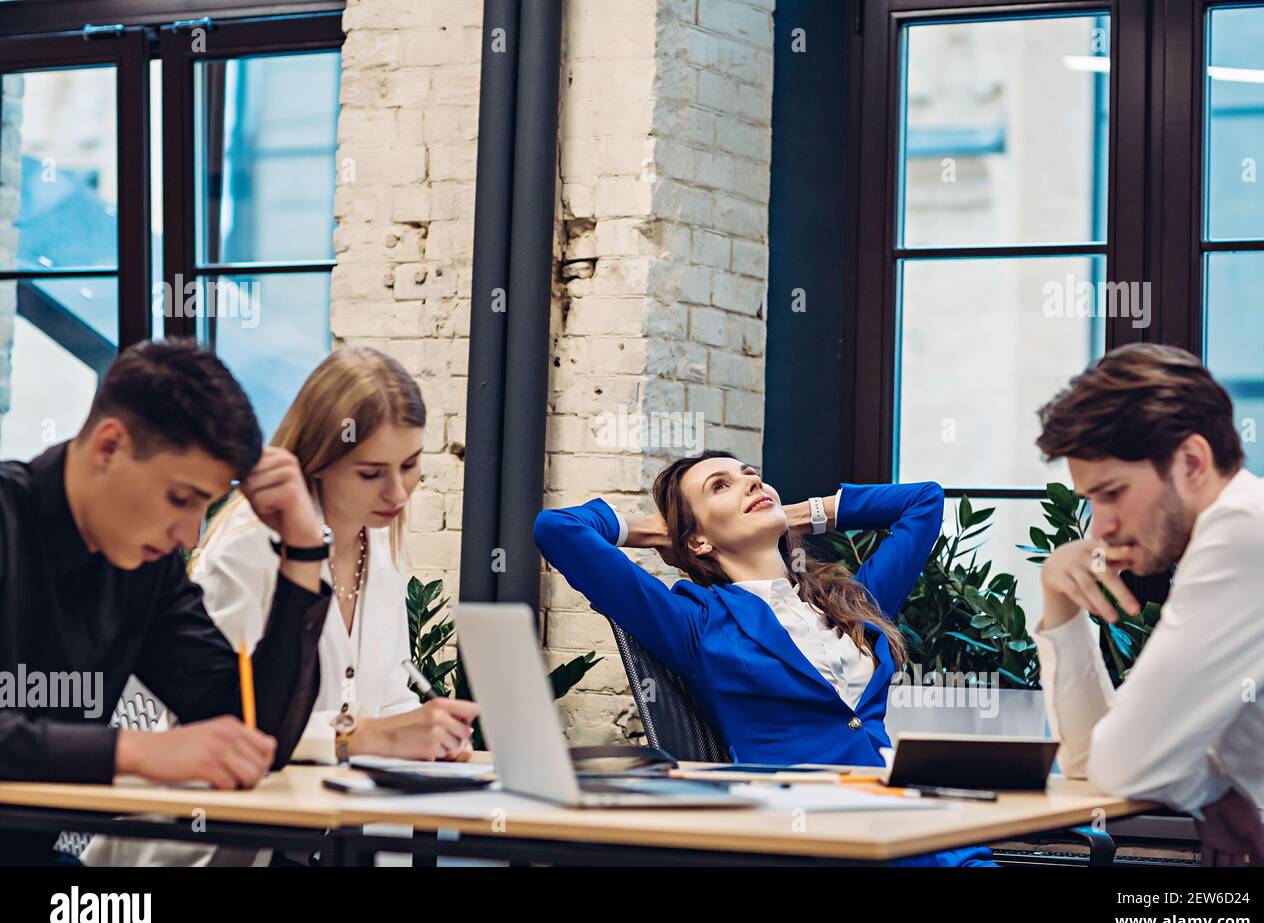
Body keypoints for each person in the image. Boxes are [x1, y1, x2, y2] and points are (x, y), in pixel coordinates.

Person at [82, 346, 478, 866]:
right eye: (370, 472)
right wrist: (359, 740)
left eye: (409, 465)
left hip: (321, 830)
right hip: (210, 835)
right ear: (318, 461)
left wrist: (429, 730)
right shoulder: (250, 548)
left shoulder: (376, 543)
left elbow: (378, 694)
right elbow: (225, 722)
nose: (397, 491)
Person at [534, 449, 994, 866]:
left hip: (921, 827)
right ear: (697, 542)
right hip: (812, 837)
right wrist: (658, 529)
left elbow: (924, 502)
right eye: (720, 485)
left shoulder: (854, 602)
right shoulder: (695, 623)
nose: (751, 480)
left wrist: (794, 514)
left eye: (751, 474)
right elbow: (558, 530)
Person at [0, 338, 331, 865]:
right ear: (110, 446)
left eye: (206, 506)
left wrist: (304, 549)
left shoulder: (147, 568)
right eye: (181, 498)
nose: (187, 534)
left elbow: (253, 734)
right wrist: (139, 752)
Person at [1033, 343, 1264, 866]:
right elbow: (1092, 759)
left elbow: (1122, 761)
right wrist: (1058, 595)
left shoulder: (1246, 531)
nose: (1101, 526)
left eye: (1112, 493)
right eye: (1090, 500)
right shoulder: (1245, 529)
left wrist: (1209, 792)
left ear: (1192, 462)